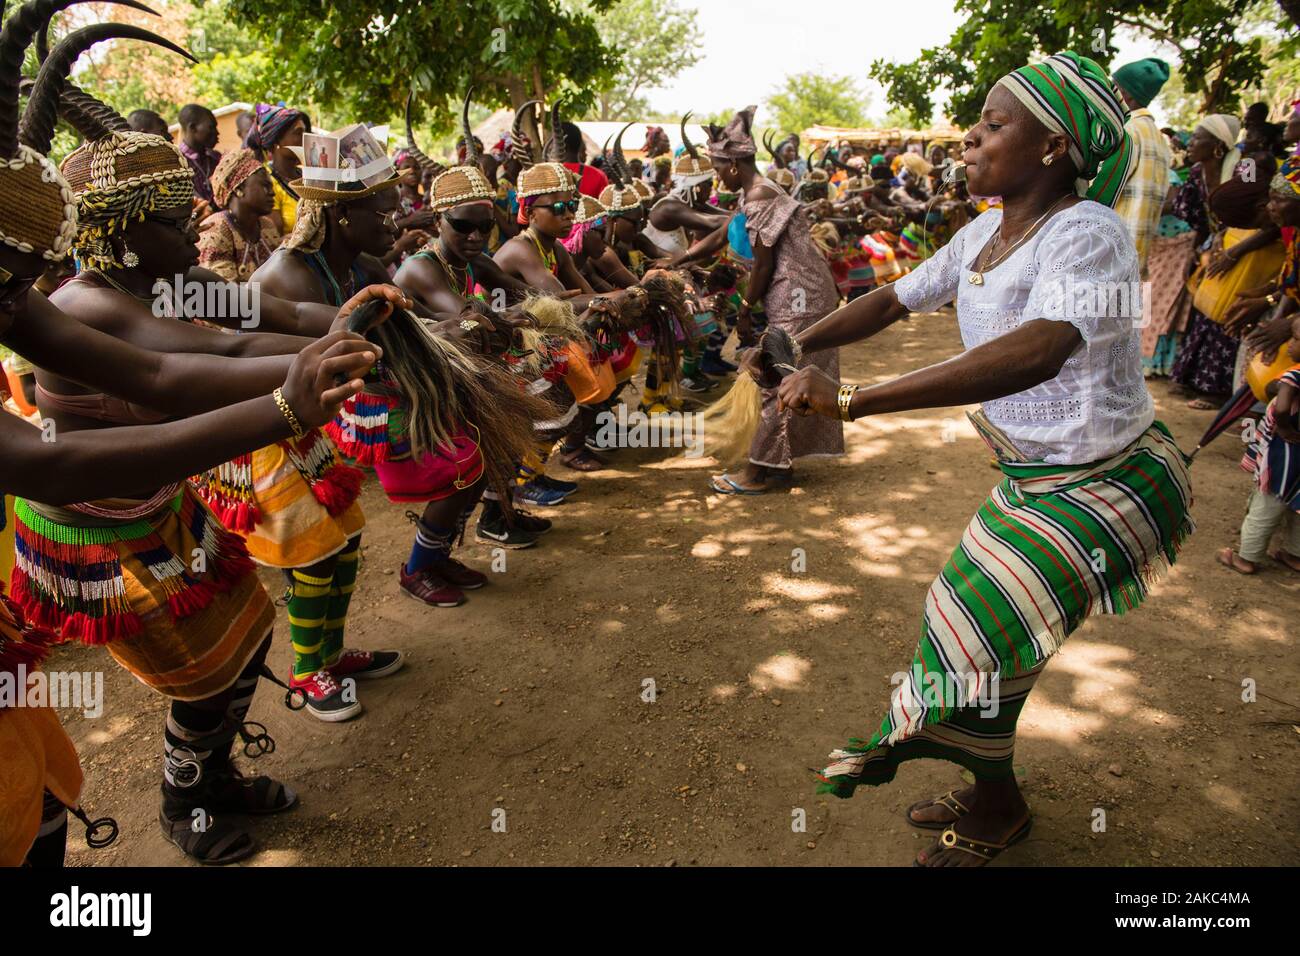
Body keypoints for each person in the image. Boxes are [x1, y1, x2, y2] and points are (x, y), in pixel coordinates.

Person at [779, 52, 1190, 867]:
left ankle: (998, 806)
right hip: (1039, 482)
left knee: (973, 639)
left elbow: (1039, 349)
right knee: (974, 638)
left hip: (1108, 483)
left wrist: (854, 399)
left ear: (1054, 147)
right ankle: (994, 793)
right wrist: (797, 343)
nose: (969, 138)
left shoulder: (1088, 233)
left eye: (994, 125)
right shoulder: (983, 233)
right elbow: (893, 299)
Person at [704, 107, 844, 495]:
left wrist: (744, 310)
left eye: (718, 168)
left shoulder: (759, 196)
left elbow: (763, 264)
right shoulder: (759, 191)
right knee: (788, 373)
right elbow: (722, 236)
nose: (717, 176)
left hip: (797, 295)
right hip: (806, 292)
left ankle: (756, 473)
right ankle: (778, 465)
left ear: (734, 165)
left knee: (774, 376)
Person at [1111, 58, 1173, 273]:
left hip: (1110, 259)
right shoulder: (1158, 138)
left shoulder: (1128, 131)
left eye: (1113, 87)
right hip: (1137, 264)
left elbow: (1099, 190)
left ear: (1125, 94)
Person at [197, 148, 282, 281]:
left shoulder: (267, 226)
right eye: (265, 186)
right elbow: (225, 290)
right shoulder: (215, 231)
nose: (272, 193)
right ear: (238, 189)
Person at [246, 103, 310, 234]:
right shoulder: (265, 181)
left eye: (305, 132)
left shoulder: (306, 174)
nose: (306, 138)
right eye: (298, 132)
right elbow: (274, 237)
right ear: (276, 141)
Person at [177, 103, 220, 205]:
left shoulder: (215, 158)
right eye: (211, 127)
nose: (217, 132)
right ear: (193, 128)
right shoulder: (176, 164)